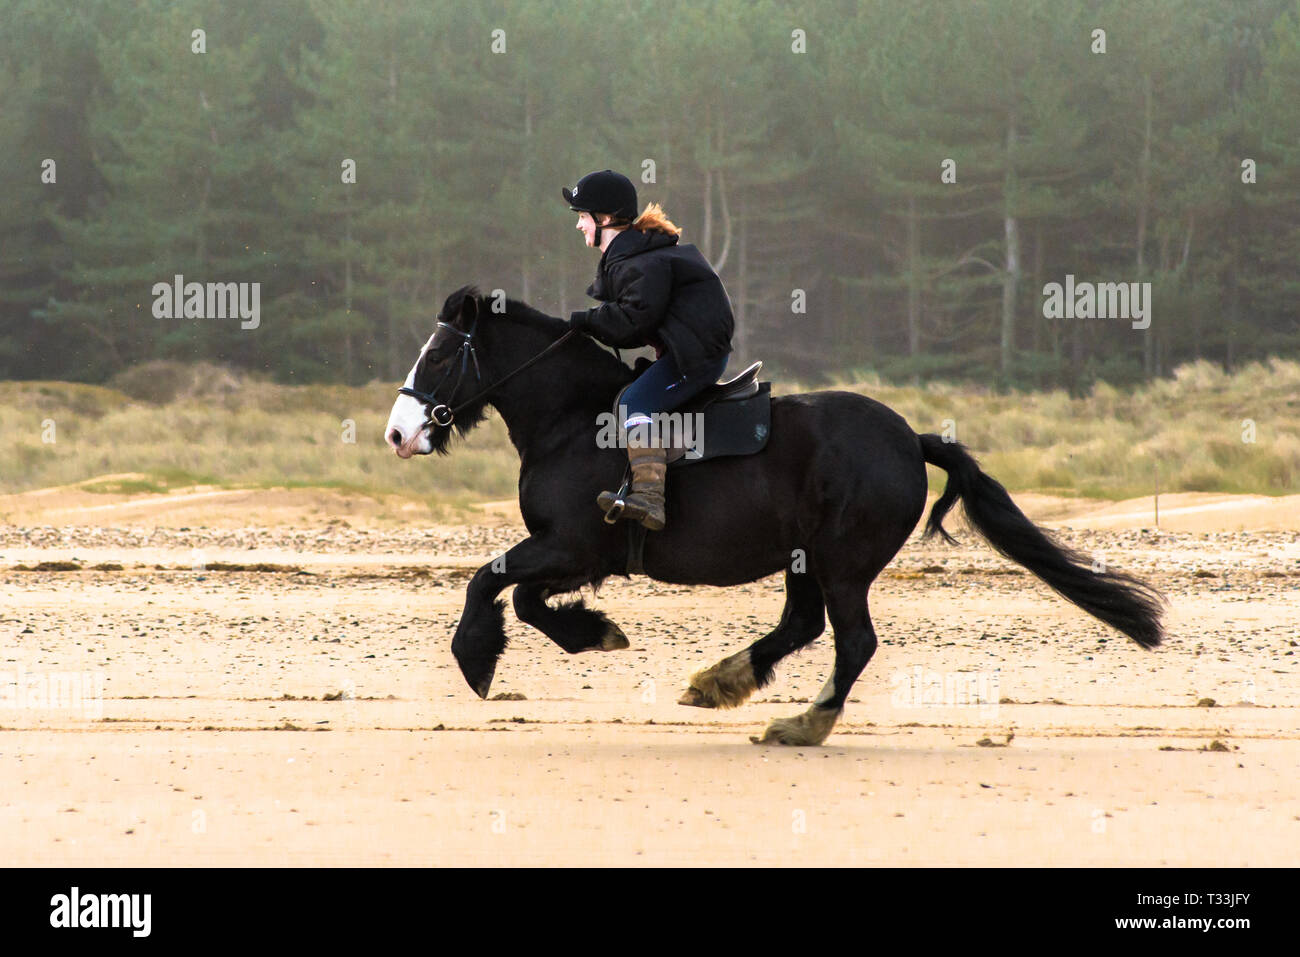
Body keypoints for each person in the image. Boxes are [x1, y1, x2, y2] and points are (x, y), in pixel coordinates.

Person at [563, 169, 734, 531]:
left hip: (696, 360)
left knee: (633, 405)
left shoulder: (641, 261)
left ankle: (650, 498)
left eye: (582, 216)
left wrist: (586, 321)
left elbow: (632, 321)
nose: (579, 226)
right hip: (687, 352)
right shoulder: (634, 255)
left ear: (605, 218)